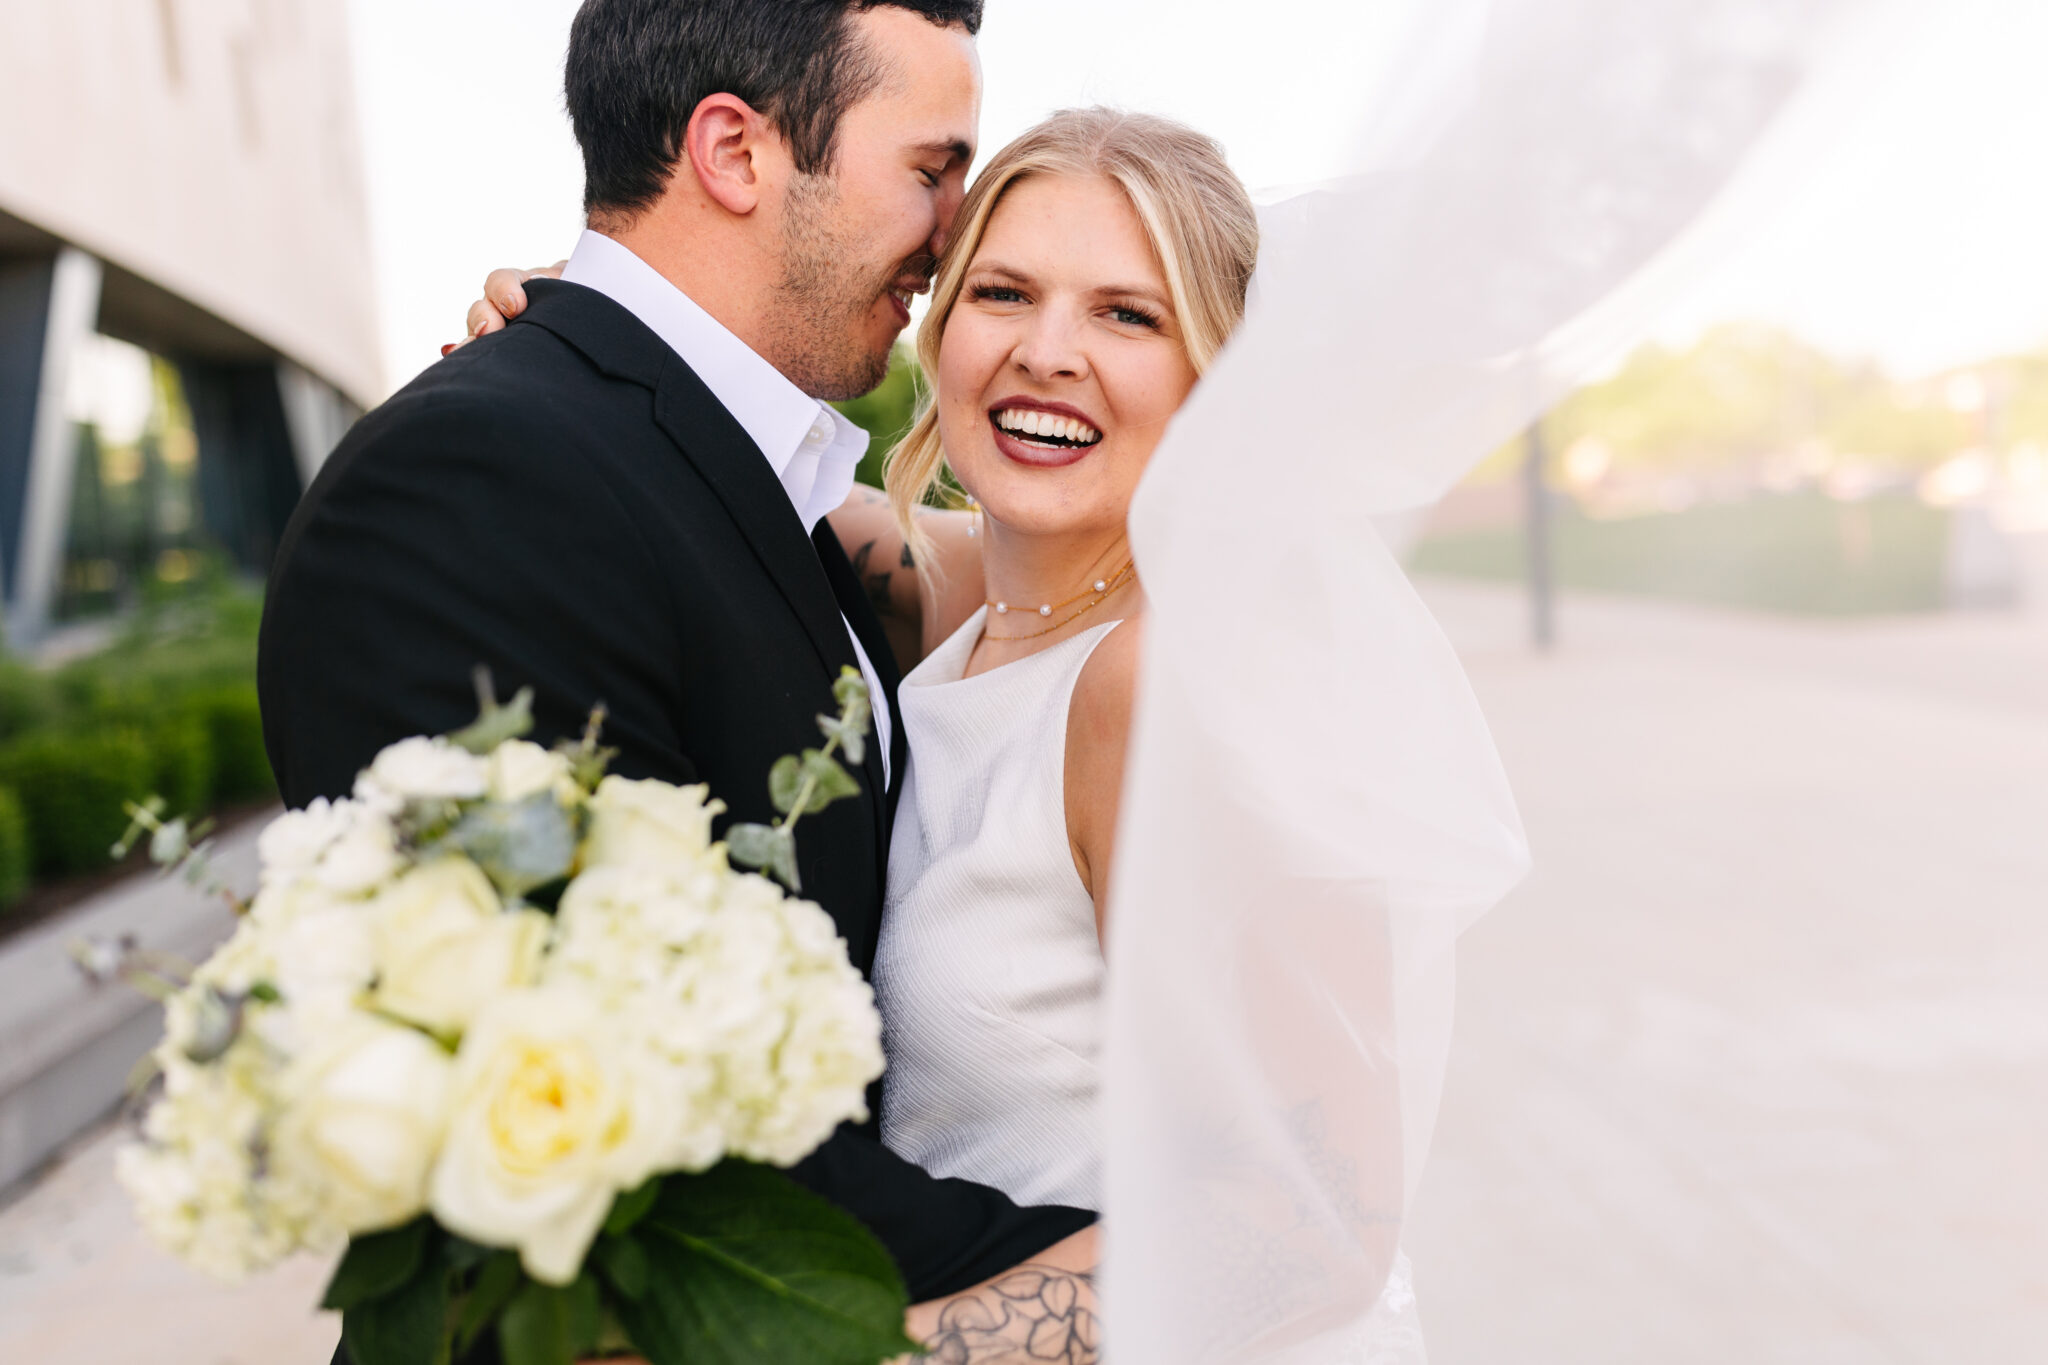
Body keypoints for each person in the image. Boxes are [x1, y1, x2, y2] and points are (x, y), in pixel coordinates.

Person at [257, 3, 1102, 1360]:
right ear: (735, 151)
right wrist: (1139, 1261)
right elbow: (645, 1145)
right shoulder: (485, 480)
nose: (957, 235)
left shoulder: (763, 482)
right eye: (932, 169)